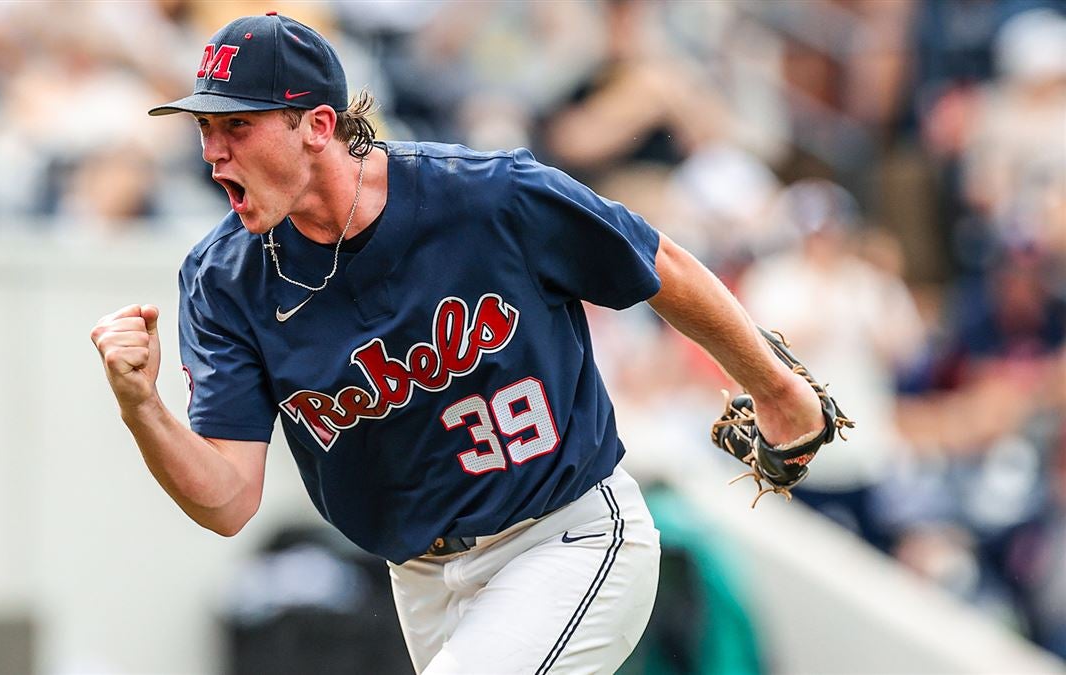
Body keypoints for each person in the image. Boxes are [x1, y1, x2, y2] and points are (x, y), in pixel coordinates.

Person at [90, 13, 828, 674]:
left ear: (316, 125)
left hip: (564, 535)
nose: (213, 153)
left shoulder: (486, 196)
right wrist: (142, 408)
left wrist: (775, 387)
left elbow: (654, 261)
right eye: (204, 130)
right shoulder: (224, 280)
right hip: (418, 579)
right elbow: (227, 501)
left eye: (238, 127)